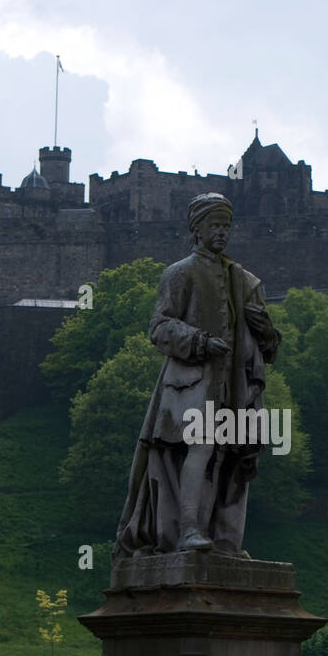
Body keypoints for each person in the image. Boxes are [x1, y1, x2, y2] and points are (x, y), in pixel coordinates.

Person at [113, 192, 281, 560]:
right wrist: (200, 342)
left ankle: (224, 541)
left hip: (235, 386)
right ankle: (188, 528)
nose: (221, 233)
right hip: (190, 383)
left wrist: (265, 329)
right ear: (197, 230)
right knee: (201, 447)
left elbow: (268, 346)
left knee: (232, 460)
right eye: (214, 226)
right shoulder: (180, 273)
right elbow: (159, 327)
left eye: (226, 226)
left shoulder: (246, 282)